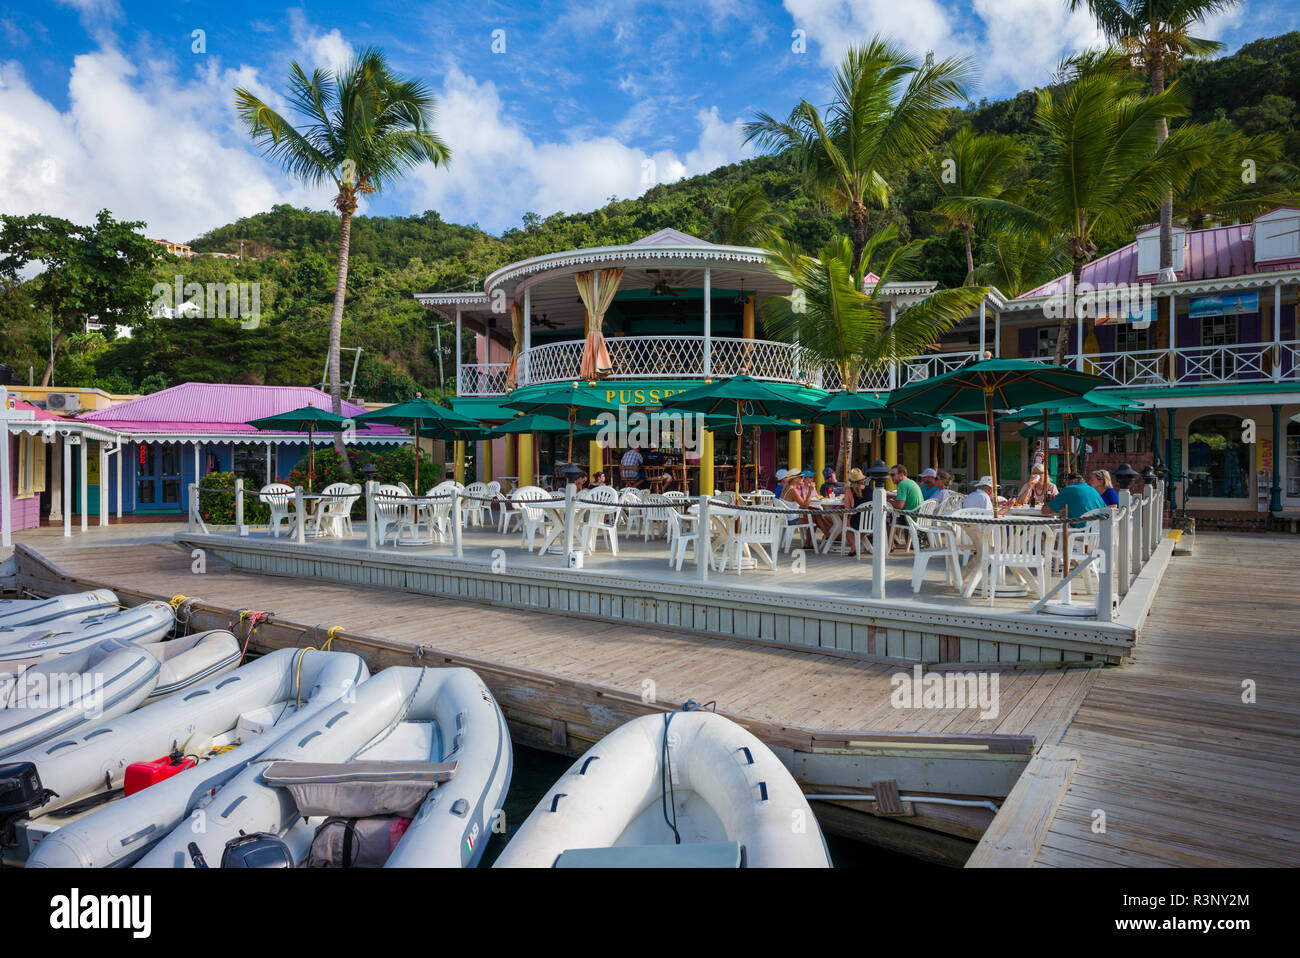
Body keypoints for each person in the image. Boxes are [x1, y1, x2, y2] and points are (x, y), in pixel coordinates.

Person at [1042, 472, 1107, 527]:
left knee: (1046, 529)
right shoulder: (1093, 490)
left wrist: (1047, 504)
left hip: (1079, 531)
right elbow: (1105, 509)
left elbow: (1045, 511)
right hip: (1096, 532)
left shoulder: (1068, 489)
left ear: (1068, 482)